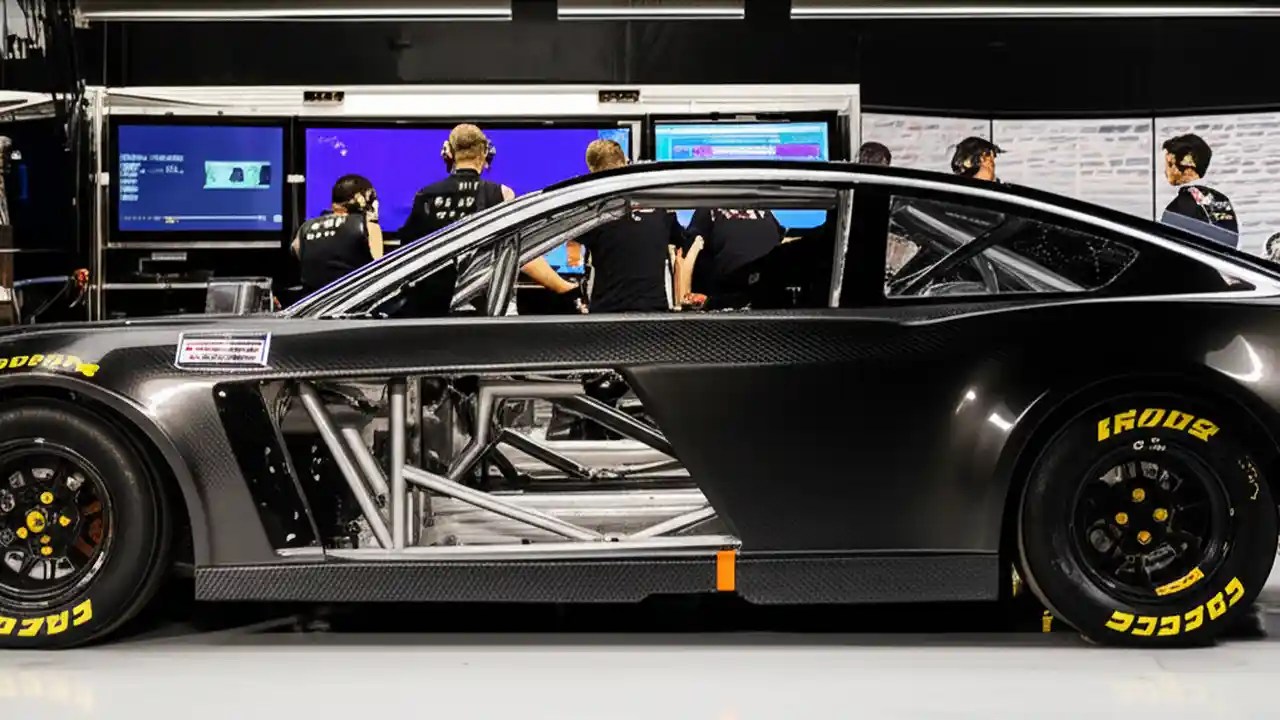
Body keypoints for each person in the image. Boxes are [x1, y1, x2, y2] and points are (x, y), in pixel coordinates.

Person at [399, 123, 580, 301]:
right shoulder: (502, 194)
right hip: (485, 305)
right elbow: (521, 253)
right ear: (485, 152)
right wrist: (566, 288)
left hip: (434, 305)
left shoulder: (426, 195)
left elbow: (408, 253)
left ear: (449, 153)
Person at [573, 139, 685, 313]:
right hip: (655, 312)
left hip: (607, 312)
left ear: (593, 172)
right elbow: (683, 242)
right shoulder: (659, 205)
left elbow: (571, 246)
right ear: (625, 162)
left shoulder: (594, 211)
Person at [676, 207, 787, 307]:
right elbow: (780, 239)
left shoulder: (708, 209)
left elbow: (687, 251)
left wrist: (683, 298)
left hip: (731, 292)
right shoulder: (763, 211)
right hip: (770, 288)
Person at [292, 174, 383, 294]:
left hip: (312, 305)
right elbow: (380, 272)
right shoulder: (369, 227)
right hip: (353, 304)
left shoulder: (305, 228)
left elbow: (296, 252)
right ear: (359, 198)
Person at [1160, 134, 1240, 248]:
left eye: (1170, 164)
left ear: (1189, 164)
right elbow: (1230, 239)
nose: (1166, 171)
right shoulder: (1220, 199)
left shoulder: (1181, 204)